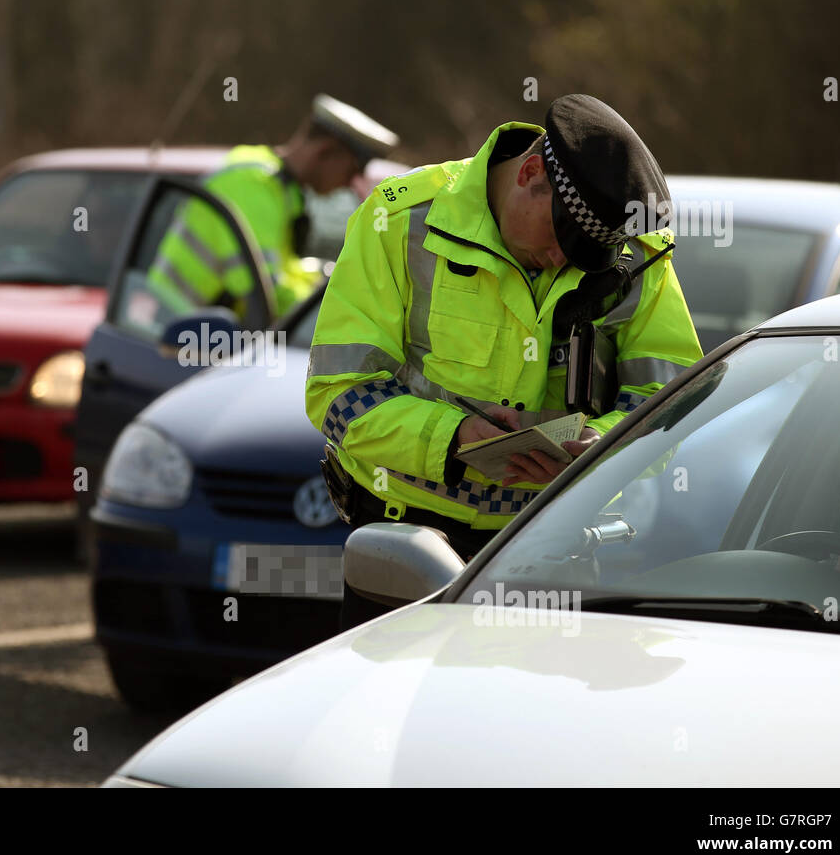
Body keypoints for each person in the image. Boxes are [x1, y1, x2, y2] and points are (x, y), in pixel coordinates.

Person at [307, 94, 703, 569]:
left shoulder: (639, 256)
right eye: (561, 239)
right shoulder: (398, 221)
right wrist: (453, 438)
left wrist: (606, 447)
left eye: (584, 256)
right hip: (405, 542)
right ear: (530, 172)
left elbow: (673, 400)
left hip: (555, 549)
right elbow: (337, 397)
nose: (563, 262)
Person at [148, 94, 398, 323]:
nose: (349, 183)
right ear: (326, 152)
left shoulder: (274, 183)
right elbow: (270, 294)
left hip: (195, 339)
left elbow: (283, 272)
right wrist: (343, 311)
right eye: (352, 170)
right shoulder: (253, 186)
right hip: (171, 341)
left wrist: (321, 283)